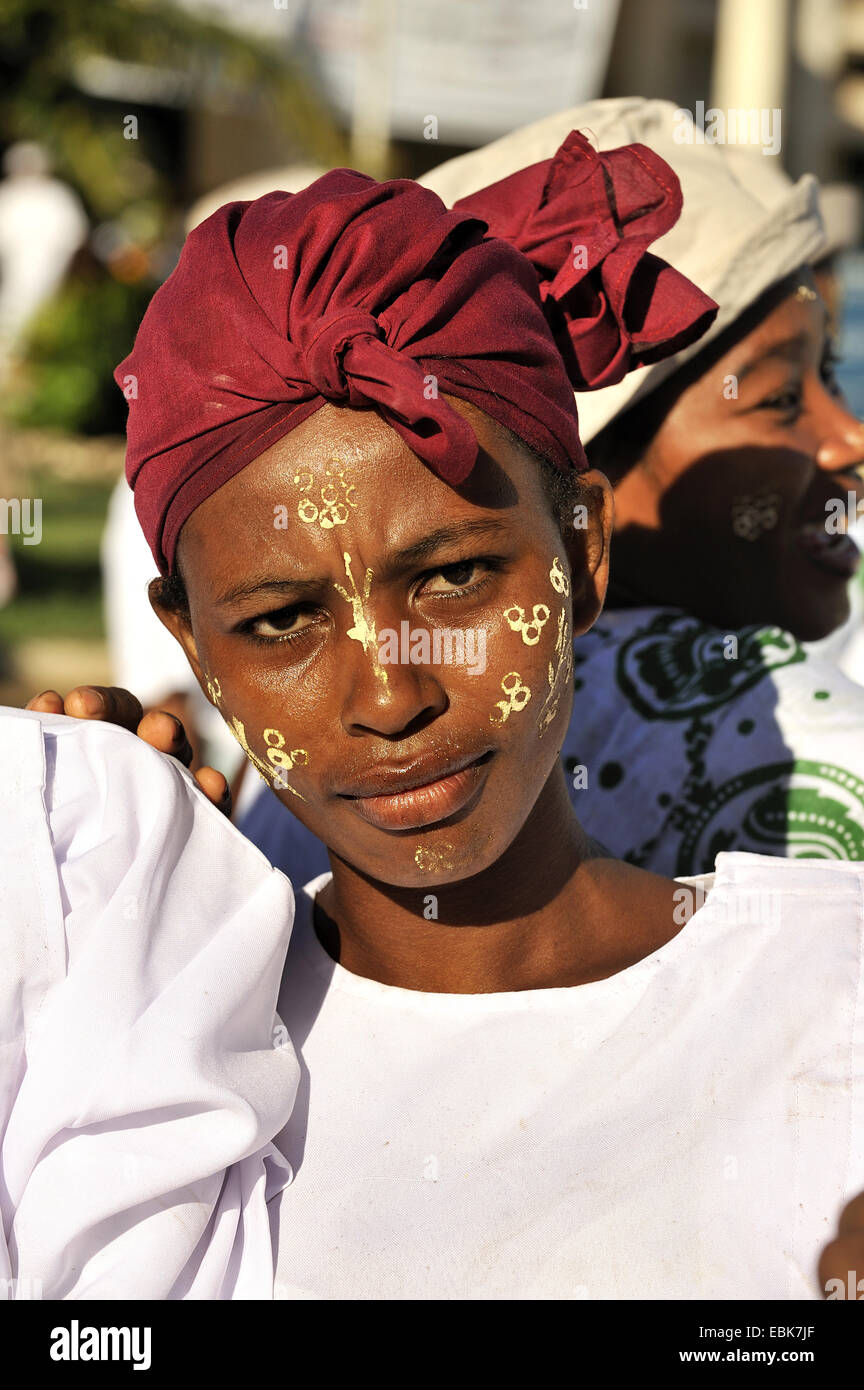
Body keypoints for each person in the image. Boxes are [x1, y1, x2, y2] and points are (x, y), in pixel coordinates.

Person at [23, 147, 864, 1299]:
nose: (391, 696)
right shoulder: (145, 1056)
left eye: (456, 578)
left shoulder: (830, 990)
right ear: (191, 646)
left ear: (582, 549)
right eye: (280, 622)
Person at [419, 97, 864, 876]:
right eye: (781, 399)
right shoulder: (803, 736)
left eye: (828, 374)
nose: (850, 437)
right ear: (586, 503)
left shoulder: (363, 754)